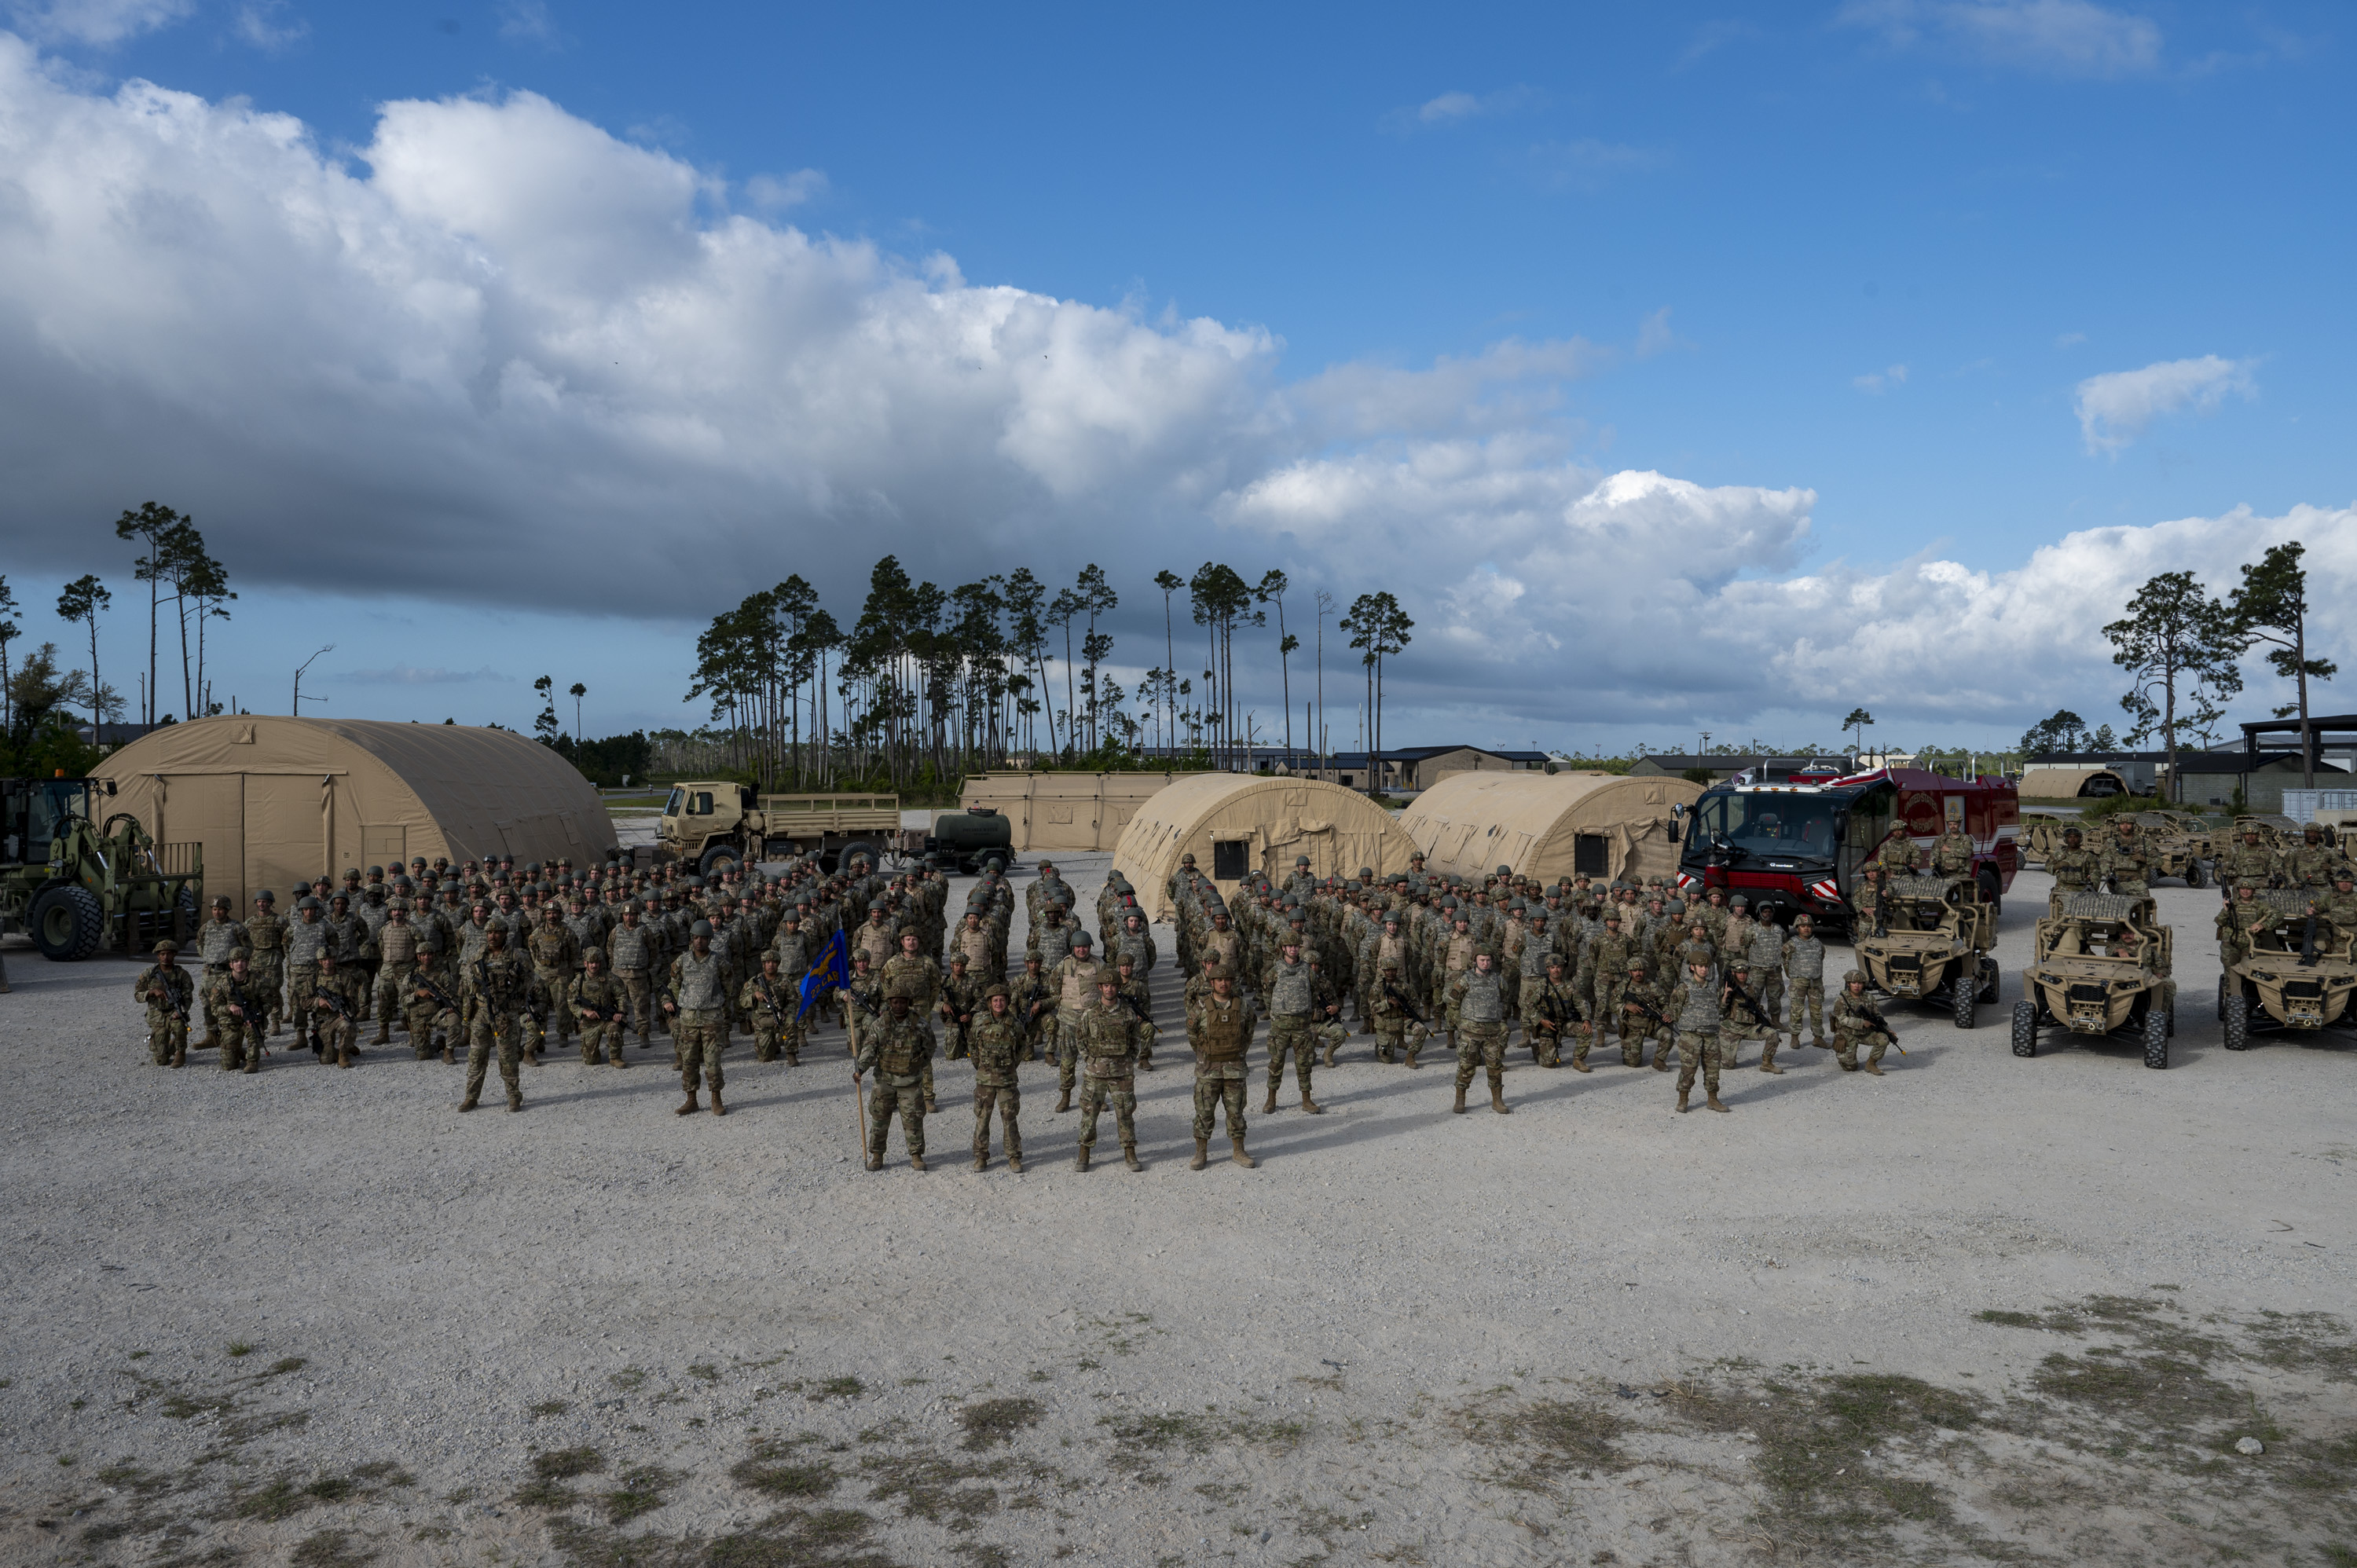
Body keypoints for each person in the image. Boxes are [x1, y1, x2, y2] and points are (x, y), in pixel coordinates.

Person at [1074, 976, 1149, 1171]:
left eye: (1113, 986)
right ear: (1100, 987)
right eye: (1106, 985)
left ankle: (1130, 1152)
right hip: (1095, 1073)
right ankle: (1084, 1154)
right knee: (1090, 1114)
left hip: (1121, 1072)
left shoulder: (1127, 1013)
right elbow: (1080, 1037)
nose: (1109, 989)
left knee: (1125, 1113)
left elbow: (1135, 1039)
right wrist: (1089, 1060)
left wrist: (1128, 1060)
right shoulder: (1090, 1013)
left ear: (1118, 987)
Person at [1186, 967, 1257, 1168]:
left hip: (1235, 1069)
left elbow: (1249, 1030)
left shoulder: (1242, 1006)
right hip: (1208, 1070)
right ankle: (1201, 1153)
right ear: (1212, 982)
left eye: (1227, 980)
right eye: (1219, 980)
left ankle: (1239, 1150)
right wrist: (1203, 1053)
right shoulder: (1201, 1006)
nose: (1223, 983)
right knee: (1204, 1113)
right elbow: (1192, 1031)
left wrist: (1239, 1052)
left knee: (1236, 1112)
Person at [856, 986, 933, 1171]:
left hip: (910, 1082)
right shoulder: (880, 1024)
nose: (898, 1005)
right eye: (895, 1002)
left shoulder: (920, 1024)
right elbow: (869, 1048)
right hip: (885, 1081)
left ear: (908, 1003)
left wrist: (915, 1064)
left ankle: (916, 1155)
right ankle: (877, 1155)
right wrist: (860, 1068)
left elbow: (929, 1048)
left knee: (913, 1121)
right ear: (890, 1003)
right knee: (879, 1120)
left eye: (902, 1001)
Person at [663, 919, 734, 1116]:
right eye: (696, 938)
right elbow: (674, 983)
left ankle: (716, 1099)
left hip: (712, 1019)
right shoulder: (682, 960)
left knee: (712, 1061)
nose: (699, 941)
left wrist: (718, 1004)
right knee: (689, 1060)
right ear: (691, 939)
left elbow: (729, 985)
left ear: (710, 940)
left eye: (703, 938)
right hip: (689, 1019)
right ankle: (691, 1100)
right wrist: (685, 1002)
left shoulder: (719, 961)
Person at [461, 925, 528, 1112]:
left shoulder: (517, 957)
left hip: (506, 1013)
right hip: (482, 1012)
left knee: (507, 1057)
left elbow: (530, 981)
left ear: (505, 934)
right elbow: (467, 985)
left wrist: (514, 998)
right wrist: (468, 1015)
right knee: (476, 1056)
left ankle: (514, 1097)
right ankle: (471, 1097)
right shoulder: (478, 957)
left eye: (497, 932)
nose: (493, 935)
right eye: (490, 932)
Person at [1260, 937, 1325, 1115]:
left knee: (1304, 1063)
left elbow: (1314, 993)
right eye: (1290, 946)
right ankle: (1271, 1099)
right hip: (1280, 1025)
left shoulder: (1307, 971)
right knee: (1276, 1063)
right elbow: (1266, 992)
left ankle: (1306, 1099)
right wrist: (1273, 1012)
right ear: (1283, 948)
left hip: (1301, 1025)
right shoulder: (1275, 971)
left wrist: (1306, 1012)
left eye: (1296, 946)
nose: (1293, 949)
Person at [966, 984, 1025, 1173]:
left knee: (1009, 1118)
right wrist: (981, 1066)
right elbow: (972, 1044)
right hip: (985, 1079)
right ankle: (981, 1155)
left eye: (1002, 1000)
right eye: (995, 1000)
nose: (999, 1003)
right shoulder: (979, 1021)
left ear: (1007, 1002)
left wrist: (1009, 1067)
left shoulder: (1014, 1023)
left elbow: (1021, 1048)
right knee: (983, 1118)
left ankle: (1014, 1156)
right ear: (990, 1003)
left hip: (1007, 1079)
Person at [1446, 947, 1512, 1116]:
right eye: (1482, 960)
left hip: (1492, 1033)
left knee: (1495, 1067)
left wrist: (1500, 1018)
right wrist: (1459, 1023)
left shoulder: (1498, 980)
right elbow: (1452, 1001)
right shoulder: (1465, 980)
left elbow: (1504, 999)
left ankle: (1497, 1100)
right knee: (1466, 1067)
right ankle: (1460, 1098)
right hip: (1471, 1033)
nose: (1485, 963)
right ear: (1475, 961)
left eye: (1488, 960)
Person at [1664, 958, 1729, 1113]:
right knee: (1688, 1069)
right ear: (1692, 967)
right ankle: (1683, 1099)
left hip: (1711, 1034)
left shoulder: (1713, 987)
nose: (1704, 970)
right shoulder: (1684, 988)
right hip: (1691, 1035)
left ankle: (1712, 1099)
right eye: (1700, 966)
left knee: (1713, 1069)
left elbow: (1718, 1011)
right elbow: (1674, 1010)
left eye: (1707, 966)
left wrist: (1725, 998)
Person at [135, 939, 195, 1068]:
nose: (165, 957)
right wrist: (151, 992)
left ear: (174, 954)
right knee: (160, 1061)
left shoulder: (182, 974)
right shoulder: (149, 974)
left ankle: (181, 1052)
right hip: (157, 1015)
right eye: (162, 954)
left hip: (174, 1012)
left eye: (169, 954)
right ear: (158, 955)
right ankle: (171, 1045)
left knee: (180, 1026)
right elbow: (138, 995)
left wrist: (180, 1012)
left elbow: (188, 997)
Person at [1831, 970, 1896, 1075]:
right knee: (1850, 1067)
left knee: (1884, 1039)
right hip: (1848, 1034)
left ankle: (1871, 1064)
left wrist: (1887, 1029)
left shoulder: (1869, 998)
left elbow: (1878, 1015)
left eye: (1860, 983)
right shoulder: (1841, 999)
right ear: (1848, 984)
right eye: (1853, 983)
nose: (1857, 986)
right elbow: (1842, 1019)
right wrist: (1861, 1022)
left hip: (1865, 1033)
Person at [1781, 913, 1830, 1053]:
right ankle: (1795, 1036)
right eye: (1803, 926)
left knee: (1817, 1011)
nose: (1806, 929)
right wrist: (1794, 976)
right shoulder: (1791, 944)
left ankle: (1818, 1037)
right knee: (1796, 1011)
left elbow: (1821, 957)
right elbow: (1785, 961)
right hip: (1798, 982)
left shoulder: (1817, 943)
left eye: (1809, 926)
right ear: (1797, 928)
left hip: (1816, 982)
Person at [575, 947, 631, 1067]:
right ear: (586, 963)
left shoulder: (610, 978)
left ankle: (615, 1057)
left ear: (601, 963)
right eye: (591, 963)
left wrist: (620, 1012)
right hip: (589, 1022)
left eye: (597, 963)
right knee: (590, 1061)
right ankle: (594, 1053)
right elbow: (571, 1002)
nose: (594, 965)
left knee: (615, 1028)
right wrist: (585, 1011)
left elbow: (621, 995)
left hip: (608, 1019)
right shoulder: (579, 981)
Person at [406, 947, 462, 1063]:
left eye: (429, 954)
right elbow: (402, 999)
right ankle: (439, 1044)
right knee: (423, 1055)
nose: (426, 957)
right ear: (418, 957)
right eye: (423, 955)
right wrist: (417, 994)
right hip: (418, 1017)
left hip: (437, 1015)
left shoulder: (443, 975)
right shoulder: (411, 976)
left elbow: (452, 996)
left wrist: (451, 1007)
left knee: (455, 1018)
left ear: (434, 955)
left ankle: (448, 1052)